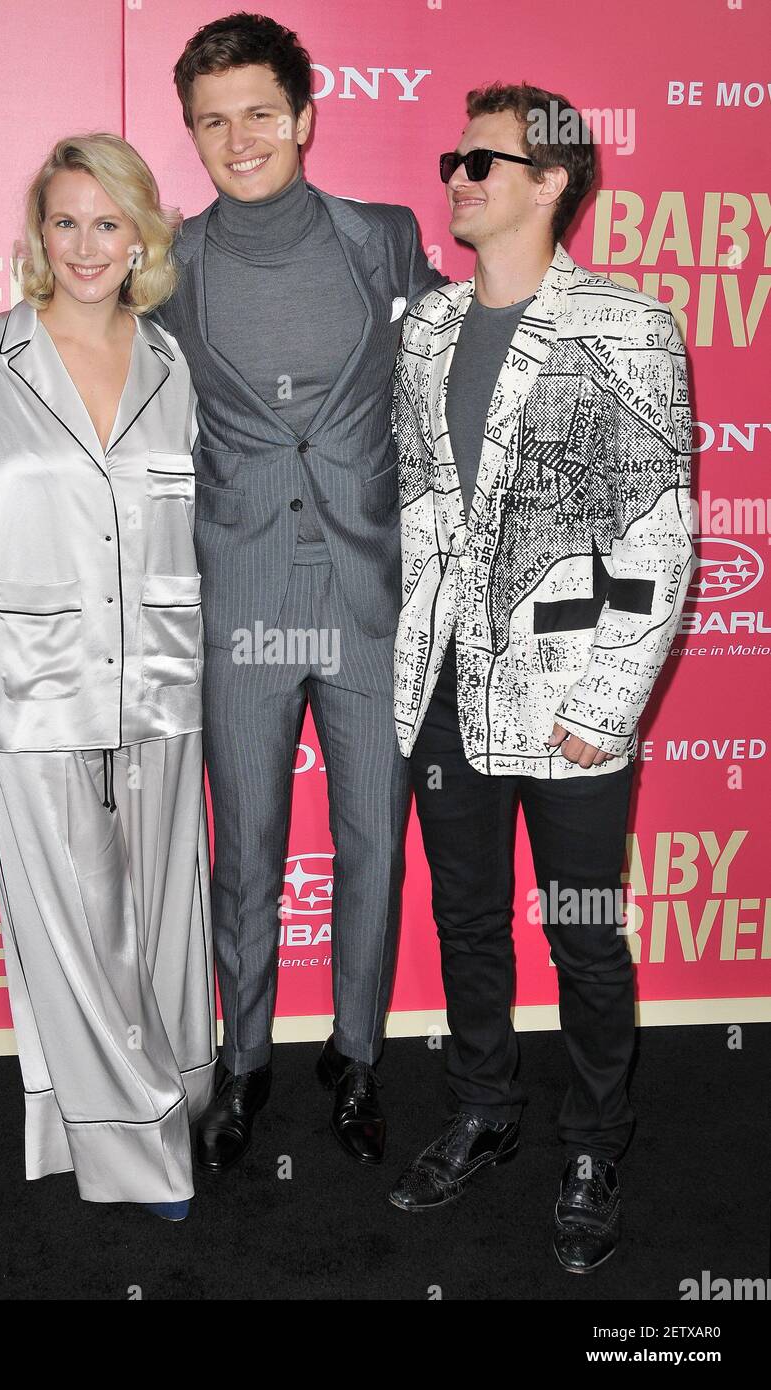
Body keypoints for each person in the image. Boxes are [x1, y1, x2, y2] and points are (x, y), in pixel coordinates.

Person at [388, 83, 693, 1270]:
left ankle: (593, 1138)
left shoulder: (628, 326)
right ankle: (481, 1109)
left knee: (580, 933)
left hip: (570, 695)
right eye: (452, 159)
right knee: (466, 920)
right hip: (447, 685)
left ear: (550, 179)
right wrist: (404, 661)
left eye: (482, 159)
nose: (457, 175)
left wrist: (606, 699)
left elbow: (659, 527)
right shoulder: (422, 328)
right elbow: (419, 505)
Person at [0, 133, 216, 1221]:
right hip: (28, 692)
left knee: (166, 916)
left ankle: (171, 1097)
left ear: (142, 238)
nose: (84, 245)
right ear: (38, 234)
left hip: (162, 686)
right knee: (77, 929)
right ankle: (143, 1156)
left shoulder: (172, 366)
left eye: (106, 222)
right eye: (64, 221)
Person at [150, 12, 446, 1172]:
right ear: (193, 135)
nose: (239, 139)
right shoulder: (171, 265)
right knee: (248, 849)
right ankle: (244, 1063)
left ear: (305, 118)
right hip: (242, 594)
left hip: (369, 592)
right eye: (213, 122)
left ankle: (359, 1057)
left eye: (259, 114)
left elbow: (440, 378)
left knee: (377, 837)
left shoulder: (382, 239)